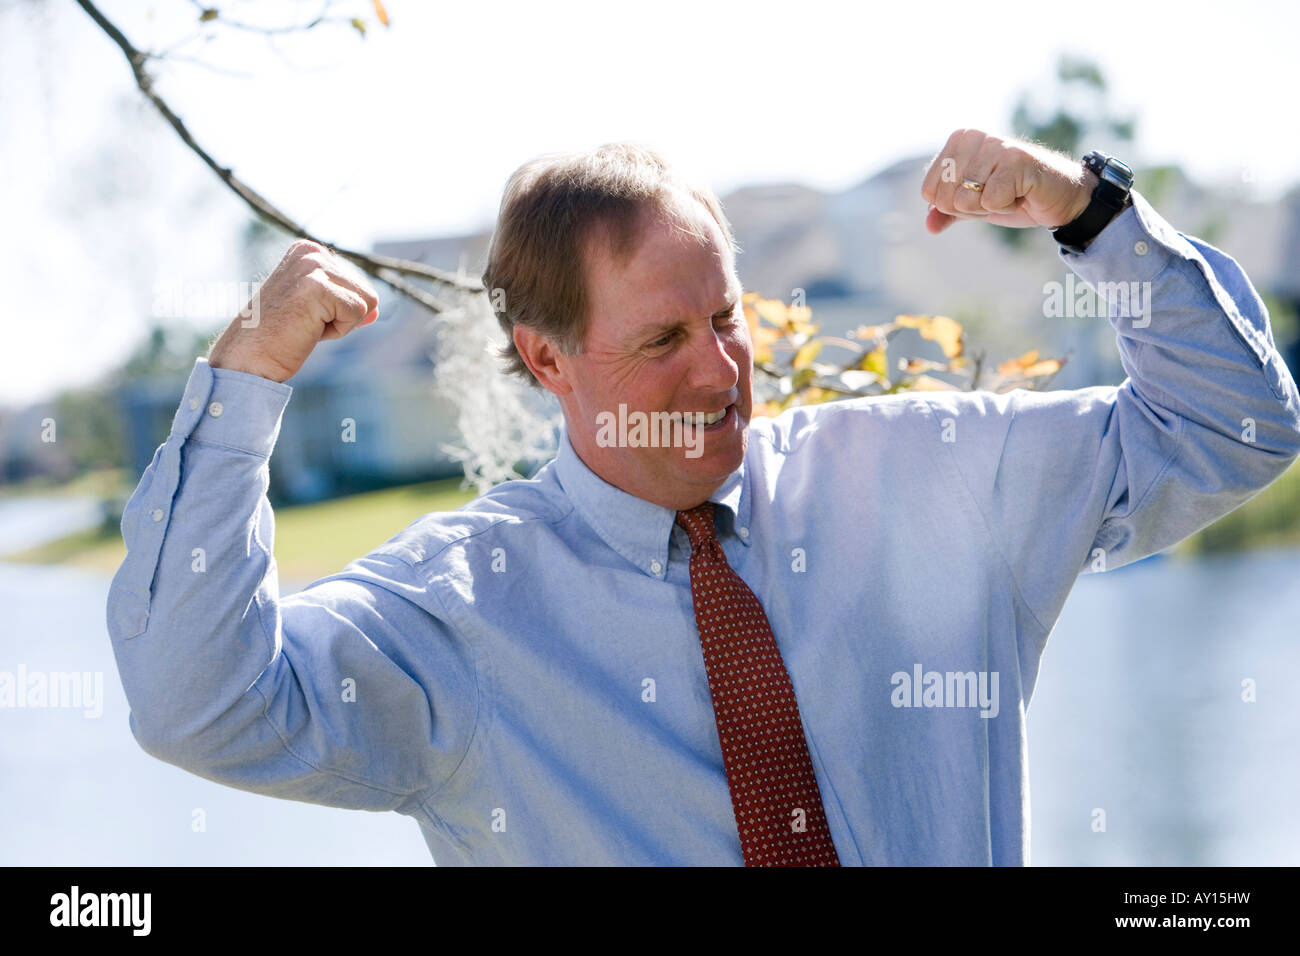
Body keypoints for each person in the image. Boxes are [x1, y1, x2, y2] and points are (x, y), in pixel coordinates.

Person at [106, 129, 1300, 866]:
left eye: (725, 316)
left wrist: (1086, 211)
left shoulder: (929, 477)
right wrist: (245, 381)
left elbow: (1235, 425)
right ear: (546, 360)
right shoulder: (458, 616)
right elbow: (197, 704)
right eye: (663, 336)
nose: (719, 370)